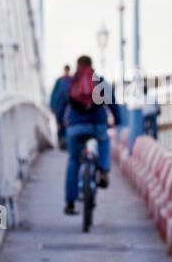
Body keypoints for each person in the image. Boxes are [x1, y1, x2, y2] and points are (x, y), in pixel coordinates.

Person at [63, 54, 122, 215]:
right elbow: (113, 103)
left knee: (74, 160)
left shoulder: (70, 82)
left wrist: (61, 127)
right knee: (104, 141)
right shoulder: (99, 80)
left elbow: (59, 104)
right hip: (97, 124)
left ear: (77, 66)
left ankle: (69, 202)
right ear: (91, 65)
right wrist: (116, 120)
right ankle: (103, 170)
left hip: (75, 127)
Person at [48, 64, 72, 150]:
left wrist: (52, 105)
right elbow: (54, 94)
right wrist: (52, 106)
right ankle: (62, 143)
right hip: (62, 107)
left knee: (63, 124)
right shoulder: (63, 80)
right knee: (61, 125)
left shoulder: (62, 80)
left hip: (64, 107)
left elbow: (54, 94)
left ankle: (64, 142)